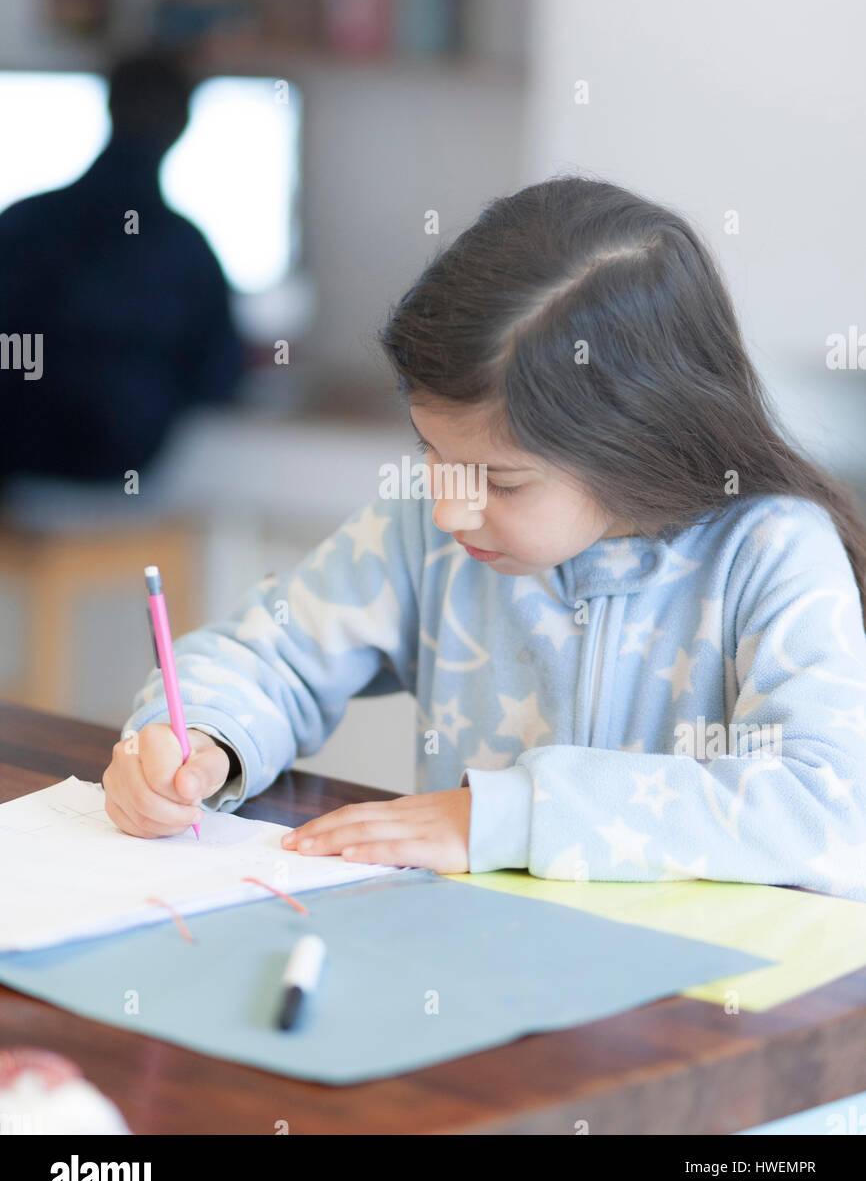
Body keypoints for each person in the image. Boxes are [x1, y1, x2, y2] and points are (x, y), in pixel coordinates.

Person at [105, 175, 866, 902]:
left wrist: (505, 818)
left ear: (639, 444)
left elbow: (820, 807)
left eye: (500, 482)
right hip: (473, 972)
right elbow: (272, 652)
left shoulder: (772, 553)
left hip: (693, 1005)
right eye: (431, 453)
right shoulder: (429, 536)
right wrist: (198, 739)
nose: (449, 510)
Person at [0, 50, 242, 485]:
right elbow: (218, 381)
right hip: (121, 488)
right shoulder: (187, 251)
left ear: (108, 107)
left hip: (14, 482)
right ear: (183, 125)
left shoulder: (21, 223)